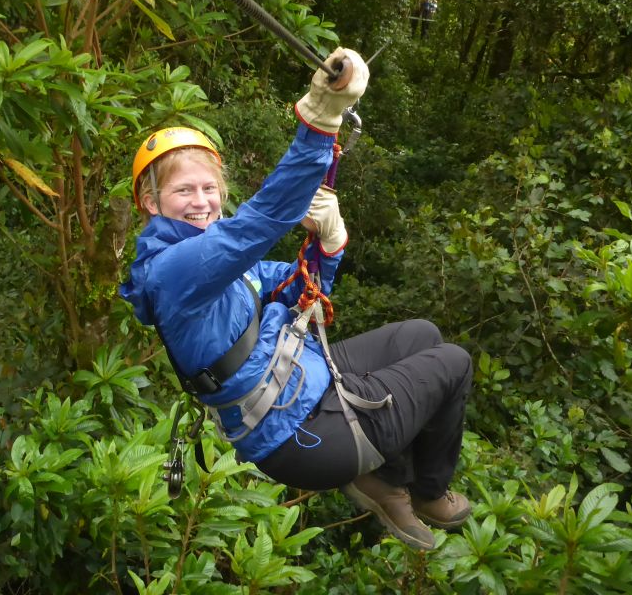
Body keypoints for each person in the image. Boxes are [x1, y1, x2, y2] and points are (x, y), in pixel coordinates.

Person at [119, 48, 472, 551]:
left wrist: (328, 242)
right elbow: (260, 220)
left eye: (208, 188)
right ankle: (426, 491)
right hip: (299, 435)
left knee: (422, 335)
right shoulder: (174, 271)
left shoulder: (221, 267)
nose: (202, 202)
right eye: (183, 192)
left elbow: (295, 285)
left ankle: (385, 480)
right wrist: (319, 120)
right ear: (152, 204)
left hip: (301, 379)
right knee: (454, 363)